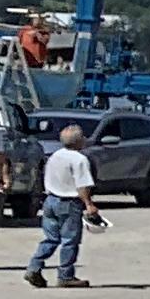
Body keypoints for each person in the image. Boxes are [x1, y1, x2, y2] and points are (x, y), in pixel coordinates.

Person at [28, 122, 94, 289]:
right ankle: (65, 275)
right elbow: (82, 185)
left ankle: (34, 266)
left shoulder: (55, 156)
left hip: (50, 200)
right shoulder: (79, 159)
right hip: (68, 202)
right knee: (69, 240)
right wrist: (89, 204)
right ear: (79, 141)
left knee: (51, 238)